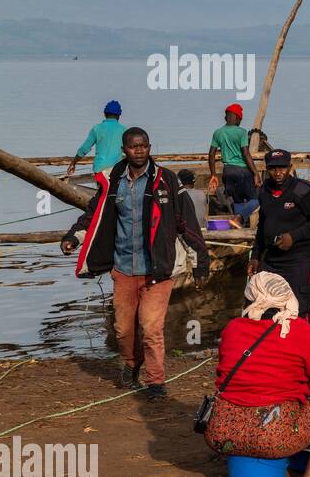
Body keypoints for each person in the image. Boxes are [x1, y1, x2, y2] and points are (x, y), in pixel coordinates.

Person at [59, 127, 209, 399]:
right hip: (124, 269)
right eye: (133, 147)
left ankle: (155, 382)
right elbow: (93, 217)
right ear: (124, 150)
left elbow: (186, 224)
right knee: (123, 330)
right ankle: (131, 365)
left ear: (150, 147)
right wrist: (73, 237)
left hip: (158, 271)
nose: (139, 151)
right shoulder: (112, 181)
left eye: (144, 146)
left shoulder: (167, 181)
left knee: (152, 329)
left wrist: (200, 264)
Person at [203, 272, 310, 477]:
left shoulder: (232, 328)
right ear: (287, 298)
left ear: (249, 298)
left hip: (220, 434)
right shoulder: (301, 331)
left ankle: (243, 460)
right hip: (273, 438)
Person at [248, 149, 310, 321]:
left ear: (290, 167)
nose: (278, 172)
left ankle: (303, 345)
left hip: (301, 258)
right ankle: (274, 345)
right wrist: (256, 255)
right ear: (267, 169)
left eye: (282, 168)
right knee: (267, 305)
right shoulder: (264, 191)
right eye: (273, 169)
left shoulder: (303, 190)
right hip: (272, 259)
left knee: (300, 305)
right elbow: (262, 224)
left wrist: (293, 237)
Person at [207, 104, 260, 222]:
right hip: (242, 171)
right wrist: (255, 173)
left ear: (226, 118)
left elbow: (211, 154)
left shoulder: (218, 133)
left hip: (228, 171)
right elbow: (246, 154)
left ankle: (238, 228)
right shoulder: (241, 132)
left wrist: (214, 174)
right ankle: (239, 218)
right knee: (256, 200)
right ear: (238, 119)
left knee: (238, 200)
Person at [65, 100, 125, 179]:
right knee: (113, 190)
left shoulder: (97, 128)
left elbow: (84, 149)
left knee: (101, 190)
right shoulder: (124, 130)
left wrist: (73, 163)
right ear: (119, 115)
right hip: (117, 170)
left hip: (100, 169)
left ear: (104, 114)